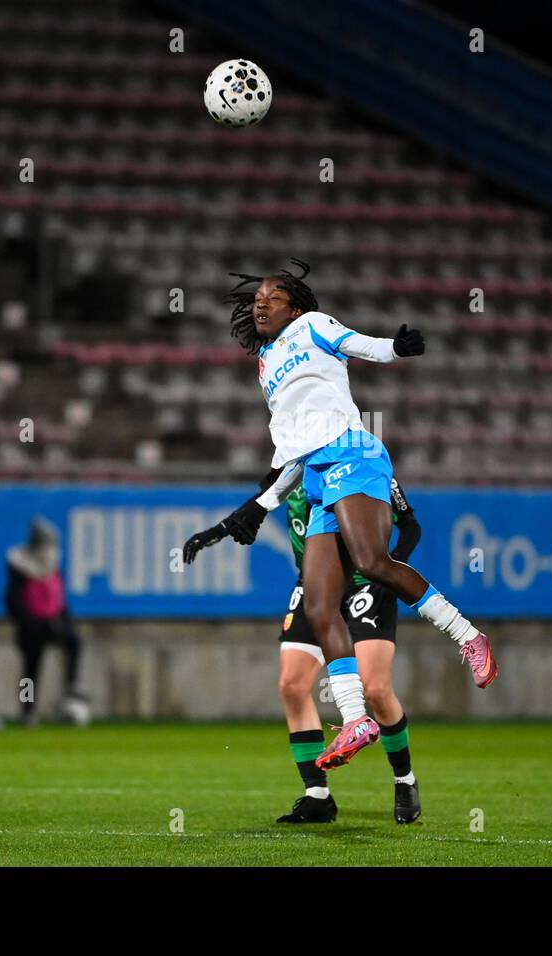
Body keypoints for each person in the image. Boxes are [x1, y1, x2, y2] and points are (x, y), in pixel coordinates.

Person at [200, 259, 497, 773]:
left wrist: (395, 349)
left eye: (273, 295)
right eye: (257, 300)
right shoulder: (267, 364)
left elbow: (362, 344)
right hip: (316, 477)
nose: (261, 303)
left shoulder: (314, 326)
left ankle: (469, 636)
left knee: (373, 561)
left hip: (353, 456)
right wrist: (258, 507)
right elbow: (291, 453)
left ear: (295, 303)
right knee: (319, 605)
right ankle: (357, 720)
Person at [186, 470, 423, 824]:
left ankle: (404, 779)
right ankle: (318, 796)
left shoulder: (363, 464)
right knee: (292, 685)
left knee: (375, 689)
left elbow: (410, 525)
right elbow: (258, 504)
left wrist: (389, 572)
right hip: (315, 585)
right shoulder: (293, 463)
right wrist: (216, 533)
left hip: (365, 585)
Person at [4, 516, 83, 725]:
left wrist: (64, 620)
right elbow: (13, 599)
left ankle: (70, 691)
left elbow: (59, 597)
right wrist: (27, 622)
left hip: (53, 621)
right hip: (30, 626)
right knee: (30, 670)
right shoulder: (19, 564)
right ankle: (27, 709)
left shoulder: (53, 564)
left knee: (73, 643)